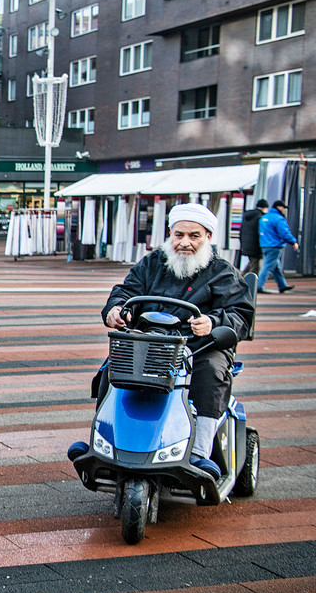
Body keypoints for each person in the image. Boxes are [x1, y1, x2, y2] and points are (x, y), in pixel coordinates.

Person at [100, 203, 255, 476]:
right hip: (152, 342)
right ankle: (106, 441)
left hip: (202, 346)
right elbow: (125, 291)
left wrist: (213, 322)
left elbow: (241, 315)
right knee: (112, 367)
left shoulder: (223, 271)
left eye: (194, 236)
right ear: (170, 234)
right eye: (179, 235)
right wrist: (116, 309)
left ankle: (199, 452)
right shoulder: (152, 263)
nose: (185, 242)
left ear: (208, 236)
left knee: (211, 372)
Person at [258, 199, 299, 294]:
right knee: (267, 266)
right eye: (284, 208)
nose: (284, 210)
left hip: (265, 245)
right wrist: (293, 242)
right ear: (279, 207)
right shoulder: (278, 218)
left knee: (276, 267)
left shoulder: (264, 217)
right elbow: (284, 233)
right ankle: (259, 285)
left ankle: (282, 285)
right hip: (275, 246)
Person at [238, 199, 265, 277]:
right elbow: (260, 232)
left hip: (246, 244)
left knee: (252, 263)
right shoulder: (260, 217)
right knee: (255, 267)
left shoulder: (247, 216)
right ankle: (249, 282)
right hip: (255, 245)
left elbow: (241, 231)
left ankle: (240, 278)